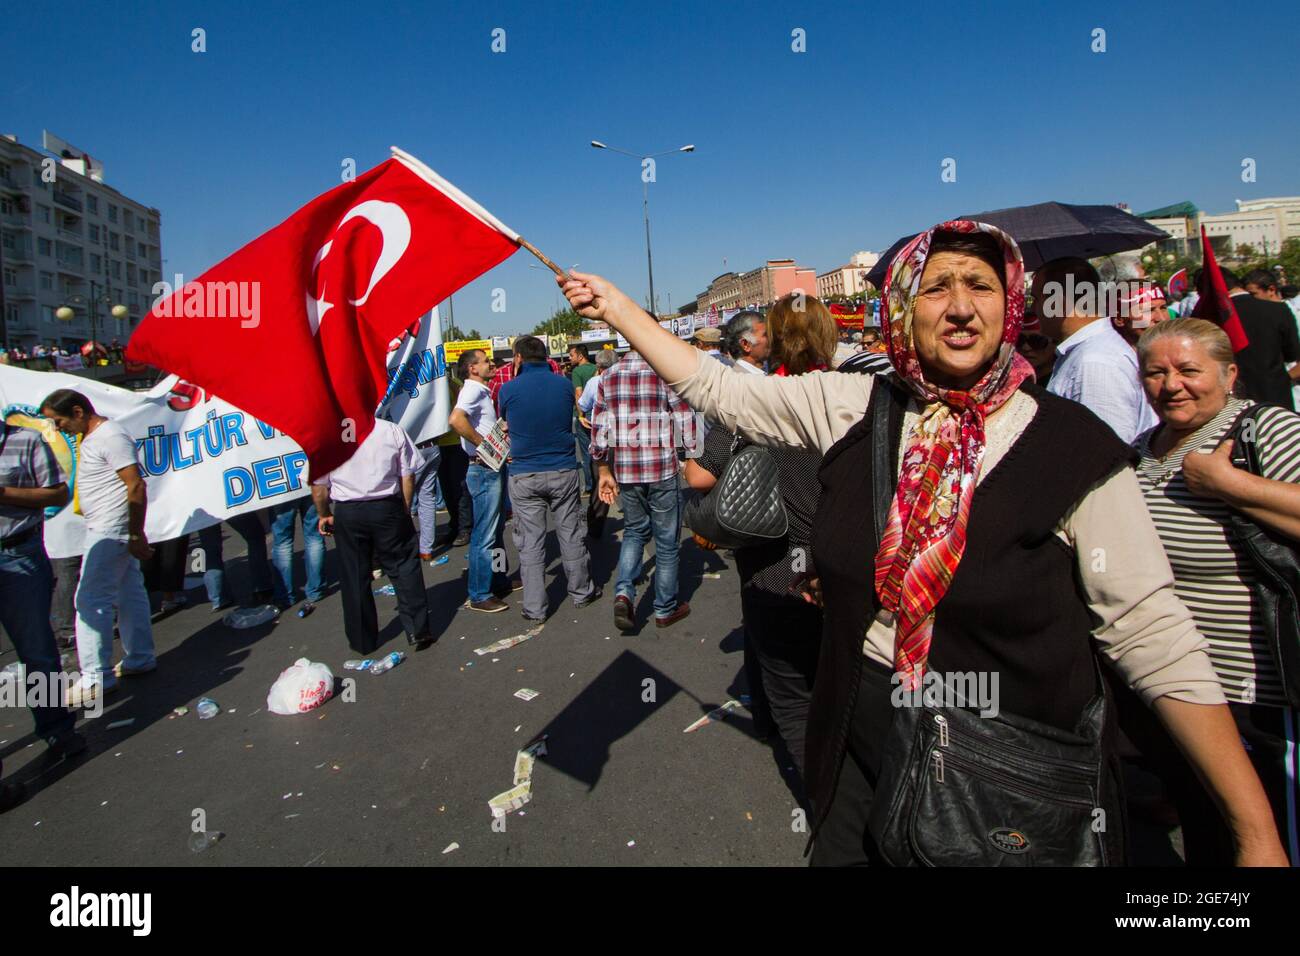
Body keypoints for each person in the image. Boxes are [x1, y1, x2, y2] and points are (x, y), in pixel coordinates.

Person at [557, 220, 1288, 866]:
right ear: (904, 308)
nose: (962, 306)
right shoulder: (855, 404)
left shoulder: (1074, 448)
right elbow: (723, 393)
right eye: (937, 287)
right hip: (861, 729)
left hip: (1006, 760)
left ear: (1011, 306)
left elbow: (1151, 633)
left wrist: (1254, 830)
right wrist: (620, 309)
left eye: (980, 284)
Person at [1133, 318, 1300, 863]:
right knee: (1210, 837)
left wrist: (1230, 485)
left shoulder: (1263, 431)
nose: (1171, 384)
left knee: (1275, 836)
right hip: (1187, 695)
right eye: (1155, 372)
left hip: (1264, 691)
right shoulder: (1142, 450)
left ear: (1229, 375)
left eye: (1188, 370)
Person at [685, 292, 836, 776]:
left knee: (790, 689)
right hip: (844, 561)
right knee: (836, 674)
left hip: (775, 565)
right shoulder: (861, 394)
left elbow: (699, 477)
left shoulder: (754, 401)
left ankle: (823, 797)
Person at [39, 389, 156, 708]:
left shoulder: (110, 436)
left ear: (78, 412)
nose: (58, 428)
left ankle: (95, 676)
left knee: (90, 599)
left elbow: (135, 484)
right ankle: (140, 656)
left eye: (59, 420)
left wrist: (135, 533)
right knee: (128, 592)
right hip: (110, 525)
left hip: (110, 527)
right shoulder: (94, 436)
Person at [589, 344, 698, 631]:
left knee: (635, 532)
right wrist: (694, 456)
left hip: (627, 470)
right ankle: (664, 607)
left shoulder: (609, 376)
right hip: (660, 467)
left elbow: (599, 428)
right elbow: (685, 418)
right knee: (666, 542)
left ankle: (624, 592)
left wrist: (602, 468)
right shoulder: (664, 371)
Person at [0, 415, 86, 761]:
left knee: (36, 650)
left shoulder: (26, 440)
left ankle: (56, 729)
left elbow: (57, 492)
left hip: (18, 552)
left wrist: (4, 493)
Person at [499, 335, 602, 622]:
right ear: (546, 357)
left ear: (518, 358)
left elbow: (505, 419)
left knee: (530, 543)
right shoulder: (563, 385)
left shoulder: (508, 389)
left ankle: (535, 607)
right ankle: (581, 592)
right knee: (571, 533)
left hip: (524, 473)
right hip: (563, 469)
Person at [311, 418, 433, 653]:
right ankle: (418, 631)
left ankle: (362, 640)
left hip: (348, 509)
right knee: (403, 567)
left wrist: (324, 513)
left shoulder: (328, 433)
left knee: (354, 574)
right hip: (386, 506)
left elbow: (318, 487)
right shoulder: (390, 430)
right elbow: (408, 473)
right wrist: (405, 507)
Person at [1032, 256, 1158, 443]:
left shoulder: (1095, 361)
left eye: (1036, 299)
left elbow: (1108, 449)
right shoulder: (1088, 352)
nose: (1033, 308)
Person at [450, 348, 515, 612]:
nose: (491, 364)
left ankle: (498, 579)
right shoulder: (473, 390)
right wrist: (483, 444)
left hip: (490, 466)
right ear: (472, 368)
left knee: (496, 528)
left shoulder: (481, 392)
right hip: (483, 468)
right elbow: (456, 420)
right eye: (485, 361)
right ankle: (479, 593)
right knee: (485, 533)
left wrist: (494, 434)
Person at [1223, 267, 1300, 411]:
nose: (1250, 299)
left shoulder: (1290, 313)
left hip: (1285, 398)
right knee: (1251, 431)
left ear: (1271, 290)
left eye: (1253, 294)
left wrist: (1283, 379)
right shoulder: (1273, 314)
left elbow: (1294, 355)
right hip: (1272, 396)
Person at [197, 509, 275, 611]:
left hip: (201, 506)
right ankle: (261, 586)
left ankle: (218, 598)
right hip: (227, 501)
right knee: (255, 536)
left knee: (211, 550)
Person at [577, 348, 618, 537]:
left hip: (601, 437)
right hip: (623, 438)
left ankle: (595, 525)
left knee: (599, 482)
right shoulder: (623, 378)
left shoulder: (595, 382)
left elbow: (583, 405)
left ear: (599, 366)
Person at [269, 495, 329, 612]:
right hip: (308, 482)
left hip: (281, 487)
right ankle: (316, 590)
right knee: (314, 537)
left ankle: (285, 595)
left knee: (282, 542)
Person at [569, 344, 598, 495]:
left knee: (587, 452)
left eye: (571, 355)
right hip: (599, 413)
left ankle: (589, 486)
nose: (569, 358)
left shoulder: (577, 371)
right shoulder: (596, 368)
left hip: (584, 414)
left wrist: (580, 415)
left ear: (580, 356)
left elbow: (578, 394)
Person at [410, 438, 441, 560]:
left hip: (413, 449)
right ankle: (426, 550)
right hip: (432, 447)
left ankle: (401, 550)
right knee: (427, 497)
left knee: (398, 500)